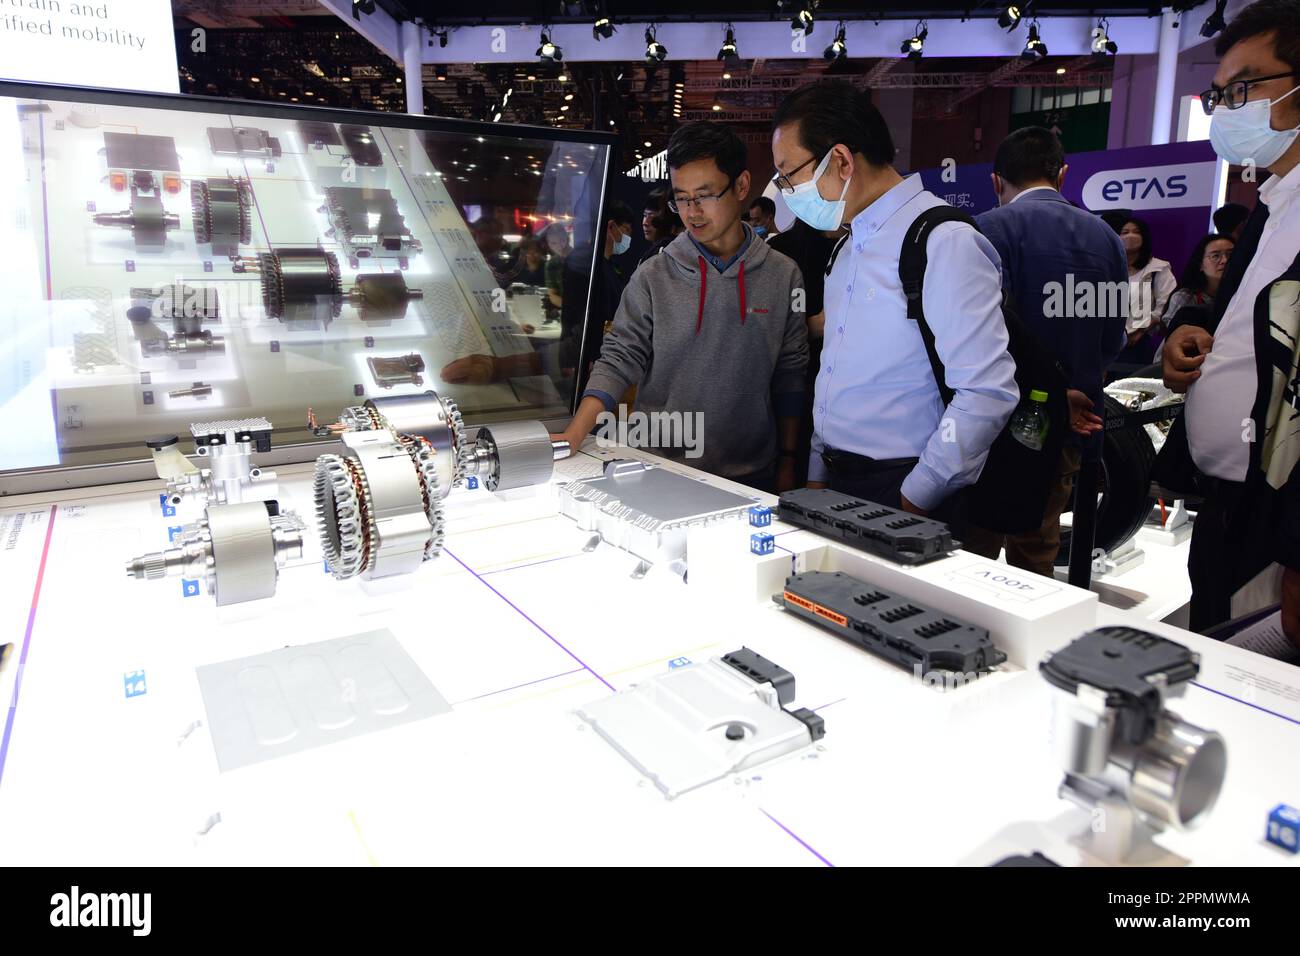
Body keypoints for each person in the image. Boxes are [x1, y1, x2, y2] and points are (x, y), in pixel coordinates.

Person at [770, 80, 1018, 516]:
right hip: (834, 479)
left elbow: (985, 390)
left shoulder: (943, 241)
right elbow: (836, 368)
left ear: (842, 160)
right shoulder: (846, 247)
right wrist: (816, 470)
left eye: (790, 175)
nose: (788, 192)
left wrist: (918, 493)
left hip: (904, 488)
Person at [551, 121, 809, 491]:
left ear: (741, 186)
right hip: (658, 465)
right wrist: (574, 434)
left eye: (704, 195)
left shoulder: (783, 275)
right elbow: (619, 357)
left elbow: (791, 373)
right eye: (682, 198)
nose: (692, 212)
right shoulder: (653, 275)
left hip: (751, 474)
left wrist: (788, 461)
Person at [1158, 0, 1300, 653]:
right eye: (1219, 94)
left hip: (1276, 525)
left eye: (1244, 88)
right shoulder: (1271, 206)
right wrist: (1200, 344)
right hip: (1227, 504)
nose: (1225, 108)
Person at [958, 126, 1129, 577]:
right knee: (1037, 554)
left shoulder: (985, 228)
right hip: (1071, 425)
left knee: (971, 556)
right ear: (1063, 174)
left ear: (996, 181)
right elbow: (1112, 337)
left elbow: (976, 336)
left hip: (992, 427)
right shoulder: (1107, 239)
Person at [767, 217, 841, 486]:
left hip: (837, 391)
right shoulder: (777, 252)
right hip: (793, 383)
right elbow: (764, 330)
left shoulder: (853, 246)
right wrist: (820, 325)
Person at [559, 200, 636, 384]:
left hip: (602, 357)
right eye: (626, 230)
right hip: (587, 358)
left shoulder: (609, 266)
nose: (628, 237)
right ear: (610, 226)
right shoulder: (586, 264)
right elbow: (581, 314)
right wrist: (583, 357)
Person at [1113, 216, 1176, 366]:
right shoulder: (1111, 267)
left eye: (1136, 232)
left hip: (1139, 343)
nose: (1130, 236)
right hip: (1108, 343)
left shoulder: (1157, 268)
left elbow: (1166, 304)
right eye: (1125, 232)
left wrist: (1140, 330)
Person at [1163, 233, 1236, 324]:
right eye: (1216, 256)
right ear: (1200, 265)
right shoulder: (1185, 297)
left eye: (1231, 254)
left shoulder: (1245, 292)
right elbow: (1174, 332)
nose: (1225, 260)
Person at [638, 188, 682, 264]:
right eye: (645, 215)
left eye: (652, 216)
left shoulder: (665, 252)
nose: (645, 223)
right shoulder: (653, 251)